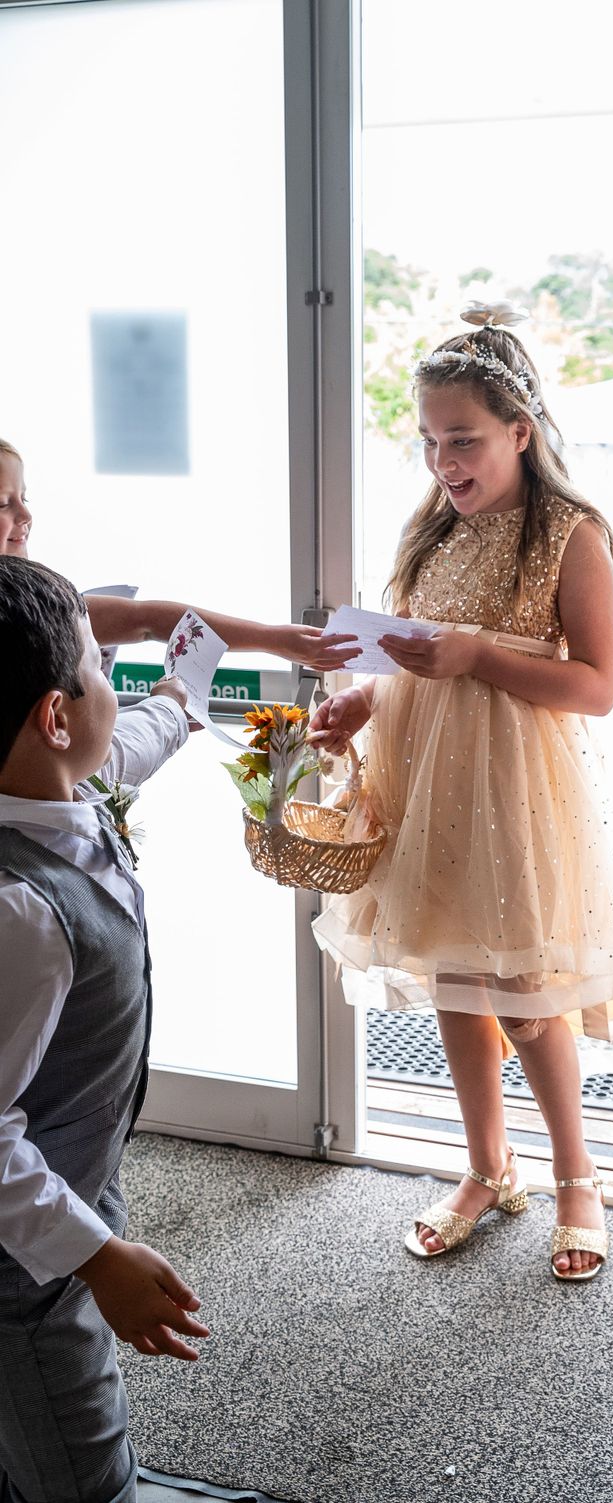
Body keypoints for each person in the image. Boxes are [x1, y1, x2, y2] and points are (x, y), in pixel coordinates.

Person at [310, 304, 613, 1281]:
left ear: (523, 429)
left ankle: (576, 1177)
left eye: (461, 440)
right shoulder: (427, 532)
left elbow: (596, 687)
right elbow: (406, 657)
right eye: (428, 441)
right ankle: (485, 1168)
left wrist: (479, 657)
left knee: (524, 995)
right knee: (452, 986)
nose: (442, 462)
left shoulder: (567, 535)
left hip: (513, 793)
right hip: (425, 783)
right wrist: (361, 706)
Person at [0, 556, 212, 1503]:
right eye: (100, 667)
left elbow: (128, 745)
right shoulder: (23, 916)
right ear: (55, 715)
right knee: (80, 1472)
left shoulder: (50, 792)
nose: (112, 689)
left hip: (67, 1196)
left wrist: (180, 692)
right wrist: (93, 1253)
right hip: (23, 1279)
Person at [0, 436, 361, 674]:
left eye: (24, 498)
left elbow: (148, 620)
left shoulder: (41, 600)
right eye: (4, 503)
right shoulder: (34, 611)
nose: (26, 516)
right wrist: (165, 713)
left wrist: (274, 639)